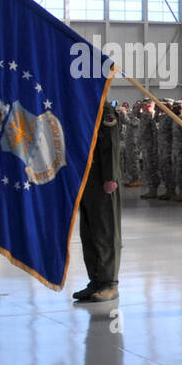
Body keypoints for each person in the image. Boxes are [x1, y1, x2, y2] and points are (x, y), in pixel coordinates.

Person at [74, 103, 122, 303]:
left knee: (105, 230)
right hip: (85, 176)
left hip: (102, 177)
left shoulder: (104, 109)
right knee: (89, 231)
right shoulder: (81, 105)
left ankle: (109, 283)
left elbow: (110, 144)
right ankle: (95, 280)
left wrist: (110, 176)